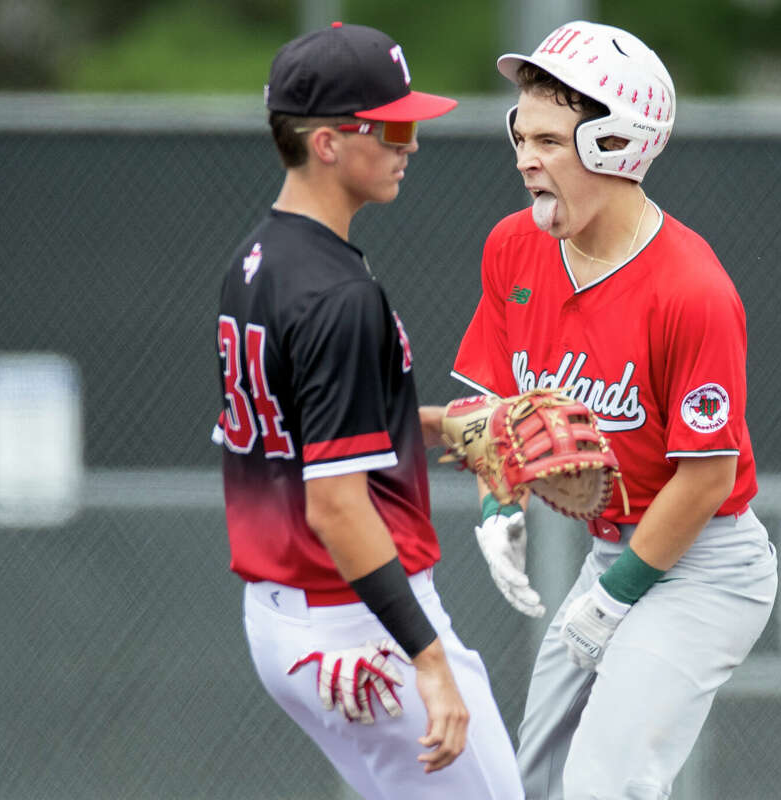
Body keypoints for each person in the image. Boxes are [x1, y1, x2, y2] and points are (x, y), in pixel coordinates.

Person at [451, 21, 779, 800]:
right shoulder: (514, 248)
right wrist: (500, 500)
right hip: (615, 553)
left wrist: (613, 596)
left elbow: (705, 480)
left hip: (705, 567)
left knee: (605, 785)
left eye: (551, 140)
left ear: (617, 144)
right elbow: (491, 405)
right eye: (519, 133)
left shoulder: (691, 290)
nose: (525, 157)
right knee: (530, 781)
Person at [213, 22, 524, 800]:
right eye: (391, 126)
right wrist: (428, 661)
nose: (409, 143)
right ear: (325, 142)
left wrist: (431, 424)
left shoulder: (259, 260)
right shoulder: (337, 292)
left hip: (282, 620)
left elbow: (297, 429)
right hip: (357, 621)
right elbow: (335, 504)